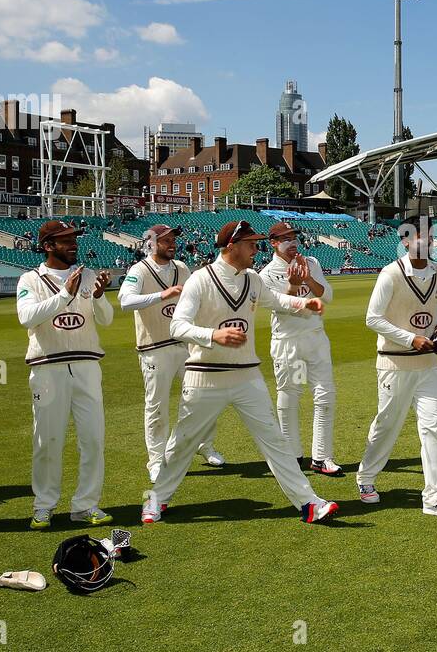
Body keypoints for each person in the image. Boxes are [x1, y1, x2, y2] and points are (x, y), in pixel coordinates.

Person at [141, 219, 339, 525]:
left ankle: (309, 503)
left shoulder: (252, 279)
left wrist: (306, 303)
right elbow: (177, 325)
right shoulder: (201, 279)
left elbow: (277, 300)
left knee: (275, 442)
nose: (256, 249)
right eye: (251, 244)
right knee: (181, 444)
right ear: (232, 246)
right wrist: (212, 336)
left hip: (247, 375)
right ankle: (156, 500)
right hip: (205, 375)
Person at [355, 215, 437, 518]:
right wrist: (410, 339)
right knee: (387, 425)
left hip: (428, 365)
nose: (426, 241)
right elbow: (372, 318)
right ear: (404, 240)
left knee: (433, 428)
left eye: (429, 236)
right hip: (394, 363)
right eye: (419, 236)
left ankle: (435, 497)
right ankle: (365, 477)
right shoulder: (390, 274)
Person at [16, 220, 114, 529]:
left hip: (86, 366)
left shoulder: (88, 275)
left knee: (93, 439)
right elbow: (26, 317)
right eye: (64, 240)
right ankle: (44, 505)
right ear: (47, 246)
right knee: (48, 440)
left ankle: (86, 505)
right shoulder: (30, 279)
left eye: (74, 238)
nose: (73, 244)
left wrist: (98, 296)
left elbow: (108, 319)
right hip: (47, 369)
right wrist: (63, 294)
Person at [119, 224, 223, 481]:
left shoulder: (181, 268)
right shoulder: (138, 270)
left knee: (203, 398)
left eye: (173, 238)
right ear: (151, 243)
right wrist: (162, 294)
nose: (172, 243)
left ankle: (204, 445)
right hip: (154, 348)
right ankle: (156, 460)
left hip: (185, 345)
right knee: (157, 406)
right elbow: (125, 301)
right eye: (165, 240)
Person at [258, 222, 341, 476]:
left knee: (324, 396)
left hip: (315, 339)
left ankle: (322, 457)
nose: (292, 242)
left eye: (293, 237)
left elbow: (327, 296)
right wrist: (293, 286)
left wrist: (308, 278)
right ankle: (291, 455)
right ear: (273, 243)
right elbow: (280, 306)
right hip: (289, 343)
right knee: (291, 395)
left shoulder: (311, 262)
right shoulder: (267, 274)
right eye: (285, 238)